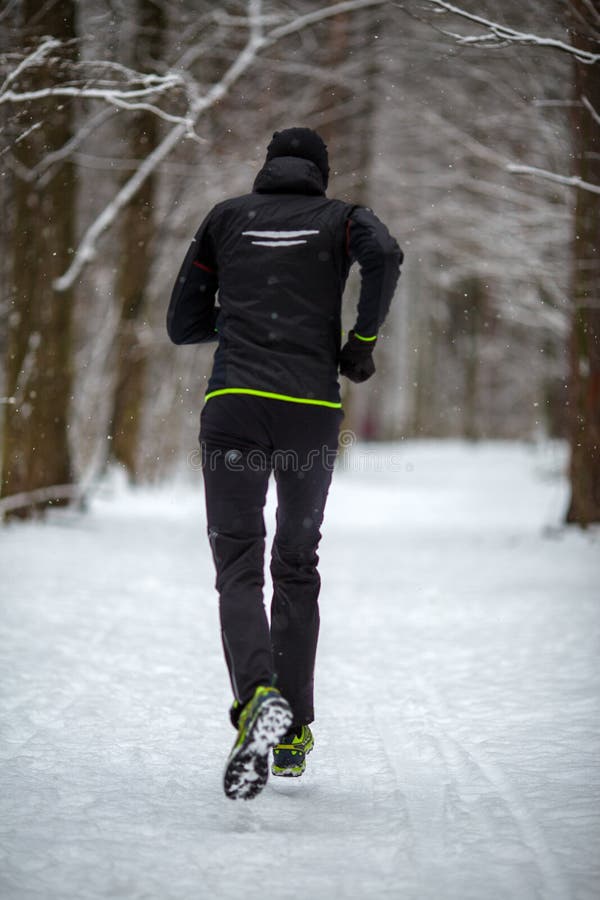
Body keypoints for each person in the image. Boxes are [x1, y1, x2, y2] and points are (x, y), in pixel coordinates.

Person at [167, 127, 402, 800]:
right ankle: (292, 727)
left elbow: (182, 324)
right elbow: (384, 254)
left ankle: (256, 704)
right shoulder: (345, 219)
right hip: (308, 408)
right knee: (295, 564)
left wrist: (243, 320)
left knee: (238, 564)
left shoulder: (226, 218)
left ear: (266, 169)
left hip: (234, 406)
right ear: (320, 176)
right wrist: (358, 342)